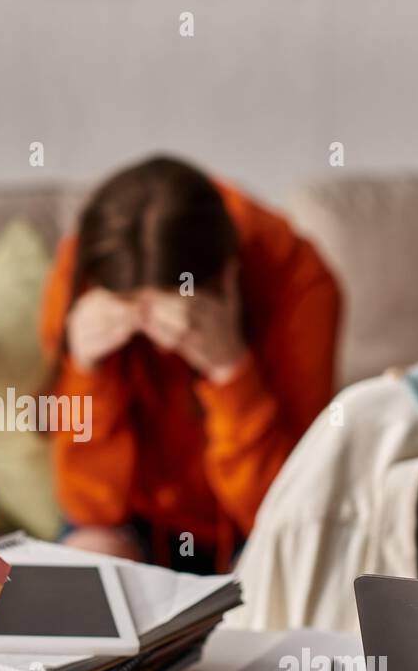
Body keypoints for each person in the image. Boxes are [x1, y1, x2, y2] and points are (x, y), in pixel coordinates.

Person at [40, 155, 341, 571]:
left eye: (171, 320)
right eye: (134, 316)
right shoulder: (84, 268)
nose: (162, 344)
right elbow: (90, 507)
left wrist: (231, 370)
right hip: (132, 522)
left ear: (227, 279)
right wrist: (86, 371)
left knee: (280, 580)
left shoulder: (301, 282)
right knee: (92, 558)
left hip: (248, 528)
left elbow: (281, 513)